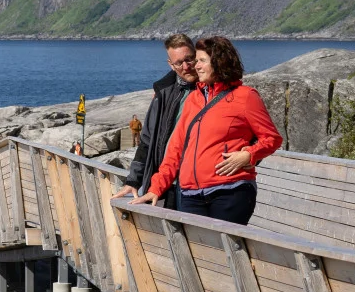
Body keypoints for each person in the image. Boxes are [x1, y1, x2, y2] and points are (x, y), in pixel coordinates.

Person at [133, 35, 281, 225]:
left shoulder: (245, 96)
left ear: (219, 62)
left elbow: (271, 138)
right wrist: (156, 188)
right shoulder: (194, 99)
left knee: (222, 252)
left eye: (202, 60)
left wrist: (248, 155)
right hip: (189, 195)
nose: (196, 66)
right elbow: (176, 150)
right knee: (197, 252)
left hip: (230, 191)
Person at [115, 33, 197, 208]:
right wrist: (133, 181)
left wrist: (246, 157)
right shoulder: (163, 92)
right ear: (171, 65)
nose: (186, 66)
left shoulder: (211, 89)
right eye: (179, 63)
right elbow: (147, 141)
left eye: (189, 59)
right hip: (166, 183)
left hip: (197, 184)